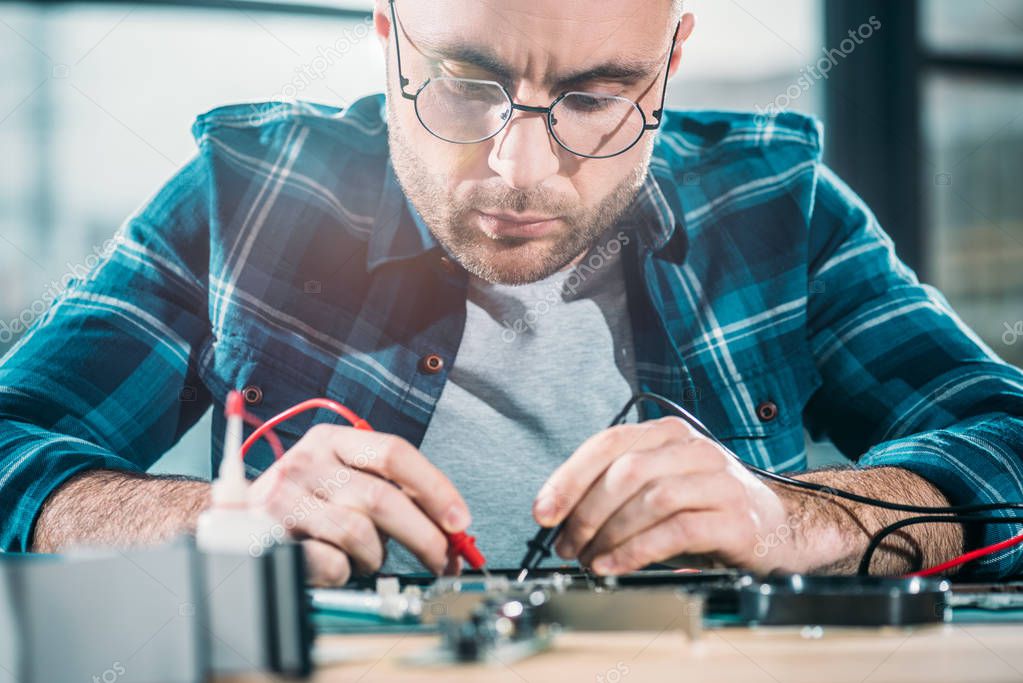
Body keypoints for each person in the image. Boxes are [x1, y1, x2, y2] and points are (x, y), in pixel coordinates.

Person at [2, 0, 1022, 586]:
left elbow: (1005, 437)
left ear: (669, 64)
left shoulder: (777, 210)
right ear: (388, 34)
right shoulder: (250, 194)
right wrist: (220, 523)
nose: (518, 169)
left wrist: (794, 519)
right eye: (462, 84)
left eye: (592, 98)